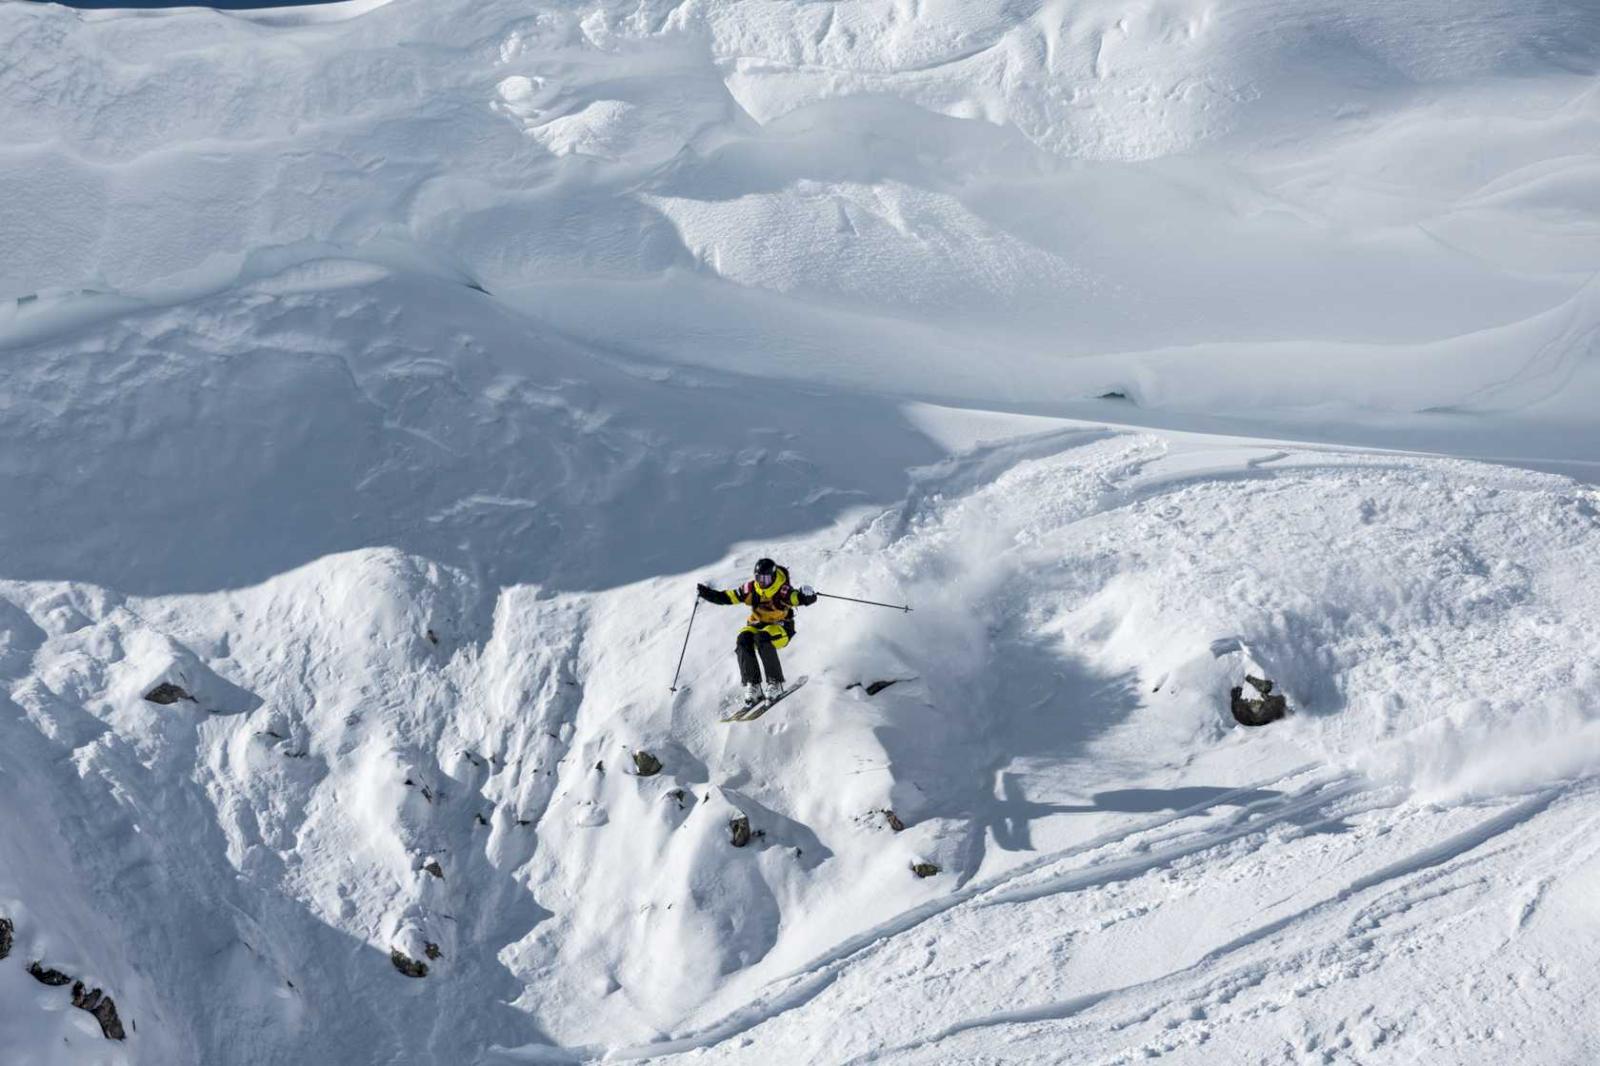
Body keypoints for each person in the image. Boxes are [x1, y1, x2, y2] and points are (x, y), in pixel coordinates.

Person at [698, 557, 818, 706]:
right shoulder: (752, 589)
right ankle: (753, 685)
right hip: (758, 625)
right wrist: (708, 594)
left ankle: (775, 683)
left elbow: (795, 598)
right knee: (743, 639)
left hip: (781, 628)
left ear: (773, 576)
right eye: (759, 578)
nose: (762, 582)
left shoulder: (782, 589)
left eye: (766, 578)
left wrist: (807, 596)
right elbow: (729, 597)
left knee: (762, 637)